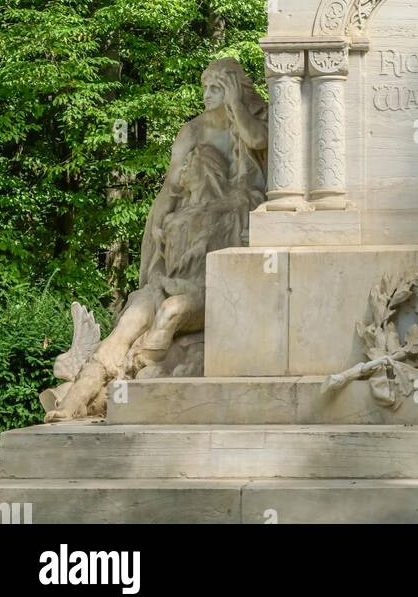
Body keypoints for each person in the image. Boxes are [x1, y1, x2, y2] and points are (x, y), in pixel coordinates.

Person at [45, 59, 266, 420]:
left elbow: (258, 140)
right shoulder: (193, 131)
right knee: (135, 316)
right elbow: (171, 185)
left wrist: (235, 105)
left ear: (232, 89)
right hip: (189, 237)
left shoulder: (251, 131)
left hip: (224, 233)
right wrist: (160, 222)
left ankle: (97, 387)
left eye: (215, 88)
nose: (206, 95)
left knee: (164, 308)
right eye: (204, 88)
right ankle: (79, 396)